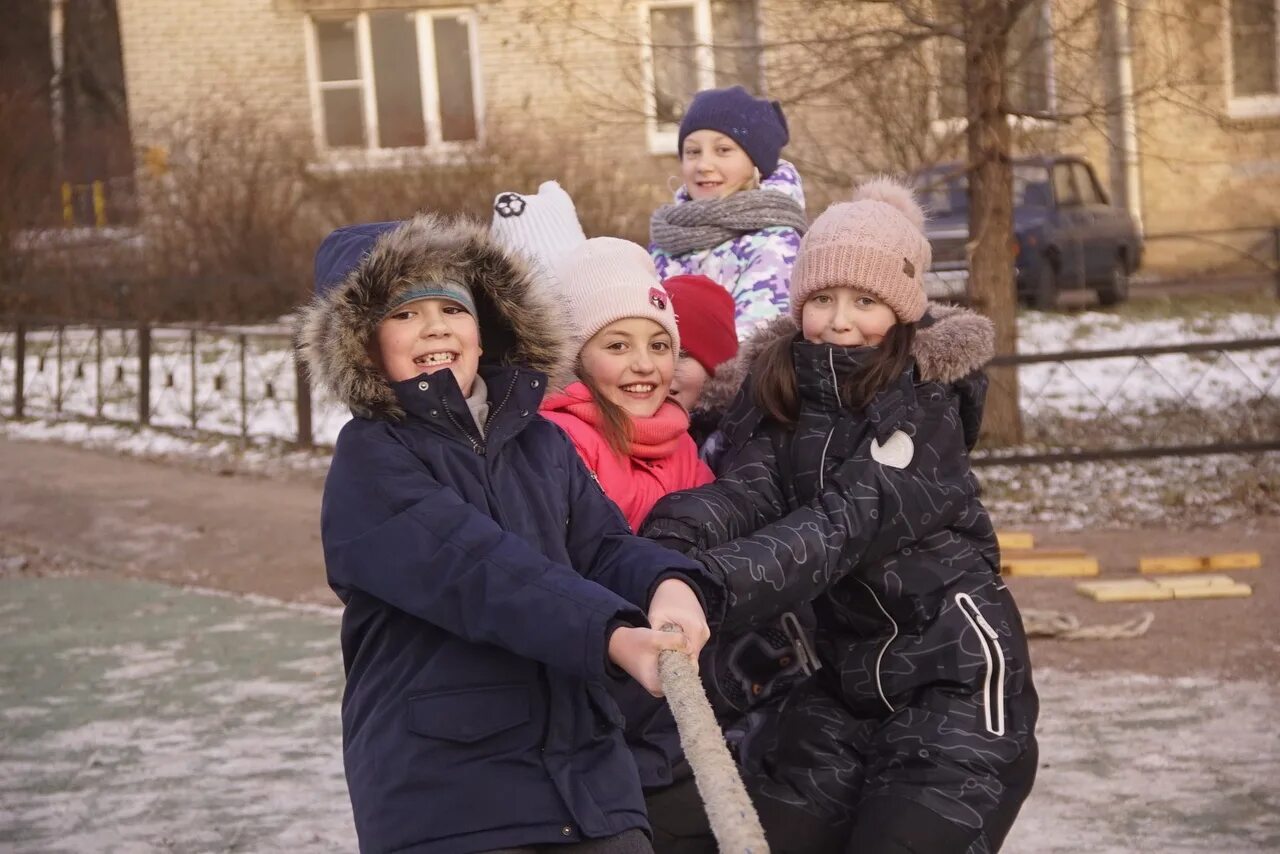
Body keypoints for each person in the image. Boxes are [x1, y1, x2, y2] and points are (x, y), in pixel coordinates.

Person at [296, 213, 723, 854]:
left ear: (485, 322)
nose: (436, 326)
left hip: (587, 782)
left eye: (451, 306)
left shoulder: (539, 441)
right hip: (451, 793)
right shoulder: (371, 460)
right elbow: (481, 572)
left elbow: (603, 545)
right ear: (363, 342)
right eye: (406, 312)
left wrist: (668, 582)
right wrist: (612, 633)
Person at [642, 178, 1039, 854]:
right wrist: (659, 551)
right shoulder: (786, 394)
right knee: (767, 834)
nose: (841, 320)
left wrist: (707, 584)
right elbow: (747, 492)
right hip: (841, 683)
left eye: (866, 300)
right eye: (822, 299)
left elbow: (842, 524)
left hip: (955, 684)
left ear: (905, 310)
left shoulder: (924, 408)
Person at [539, 238, 714, 532]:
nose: (644, 365)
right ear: (575, 359)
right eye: (618, 346)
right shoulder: (558, 439)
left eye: (658, 346)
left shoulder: (679, 439)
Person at [649, 85, 808, 340]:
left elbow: (753, 341)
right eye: (692, 152)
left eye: (723, 150)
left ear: (756, 162)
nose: (703, 165)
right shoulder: (668, 239)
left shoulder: (775, 242)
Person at [661, 274, 739, 449]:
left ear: (717, 371)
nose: (659, 368)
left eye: (680, 355)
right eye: (656, 348)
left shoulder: (734, 446)